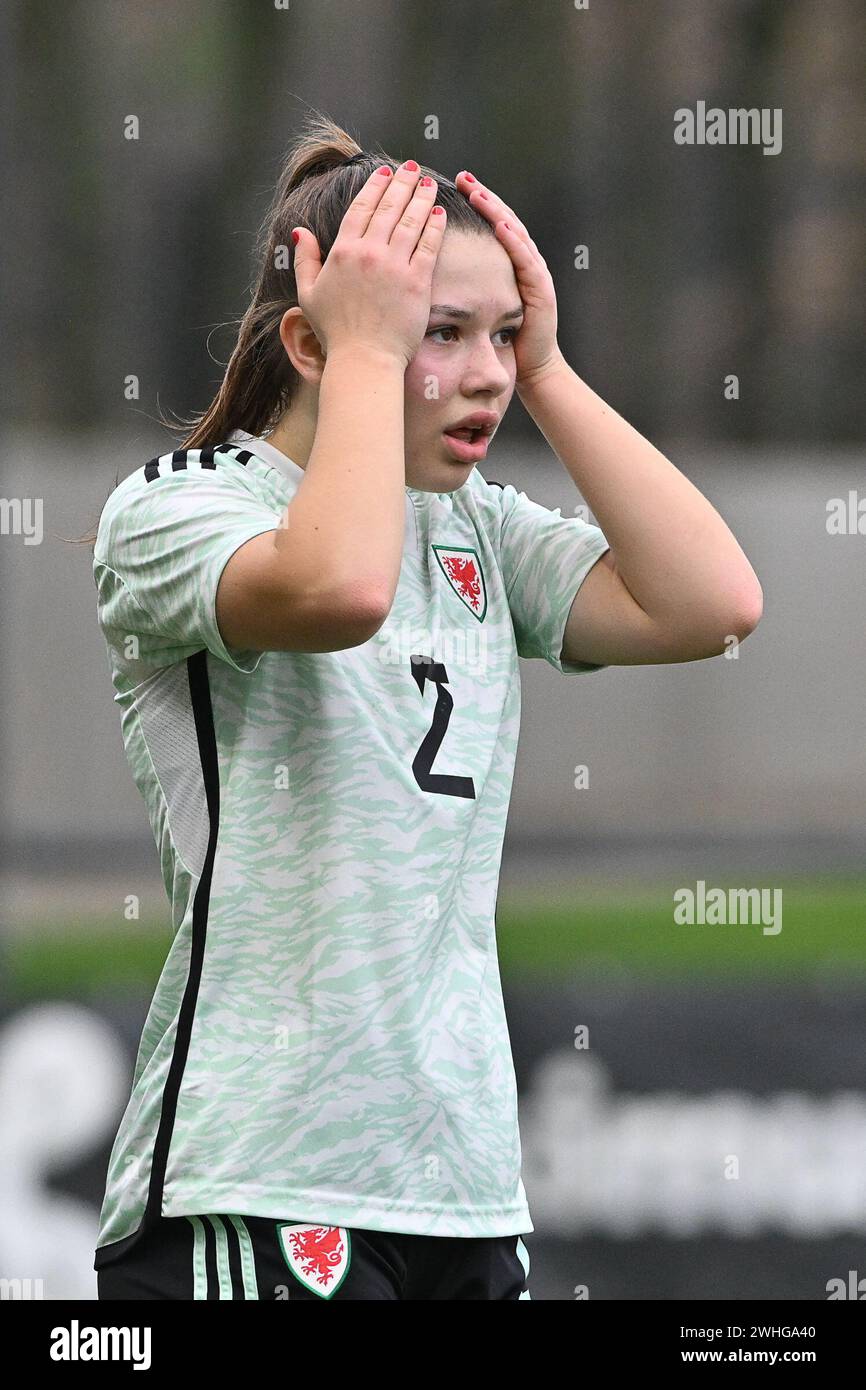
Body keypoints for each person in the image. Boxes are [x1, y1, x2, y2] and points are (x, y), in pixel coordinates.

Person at [91, 114, 762, 1300]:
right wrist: (362, 353)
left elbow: (711, 604)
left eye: (501, 333)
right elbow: (340, 587)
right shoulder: (179, 508)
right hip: (255, 1181)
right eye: (437, 332)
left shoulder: (476, 529)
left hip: (460, 1185)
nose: (489, 371)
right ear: (312, 341)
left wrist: (551, 372)